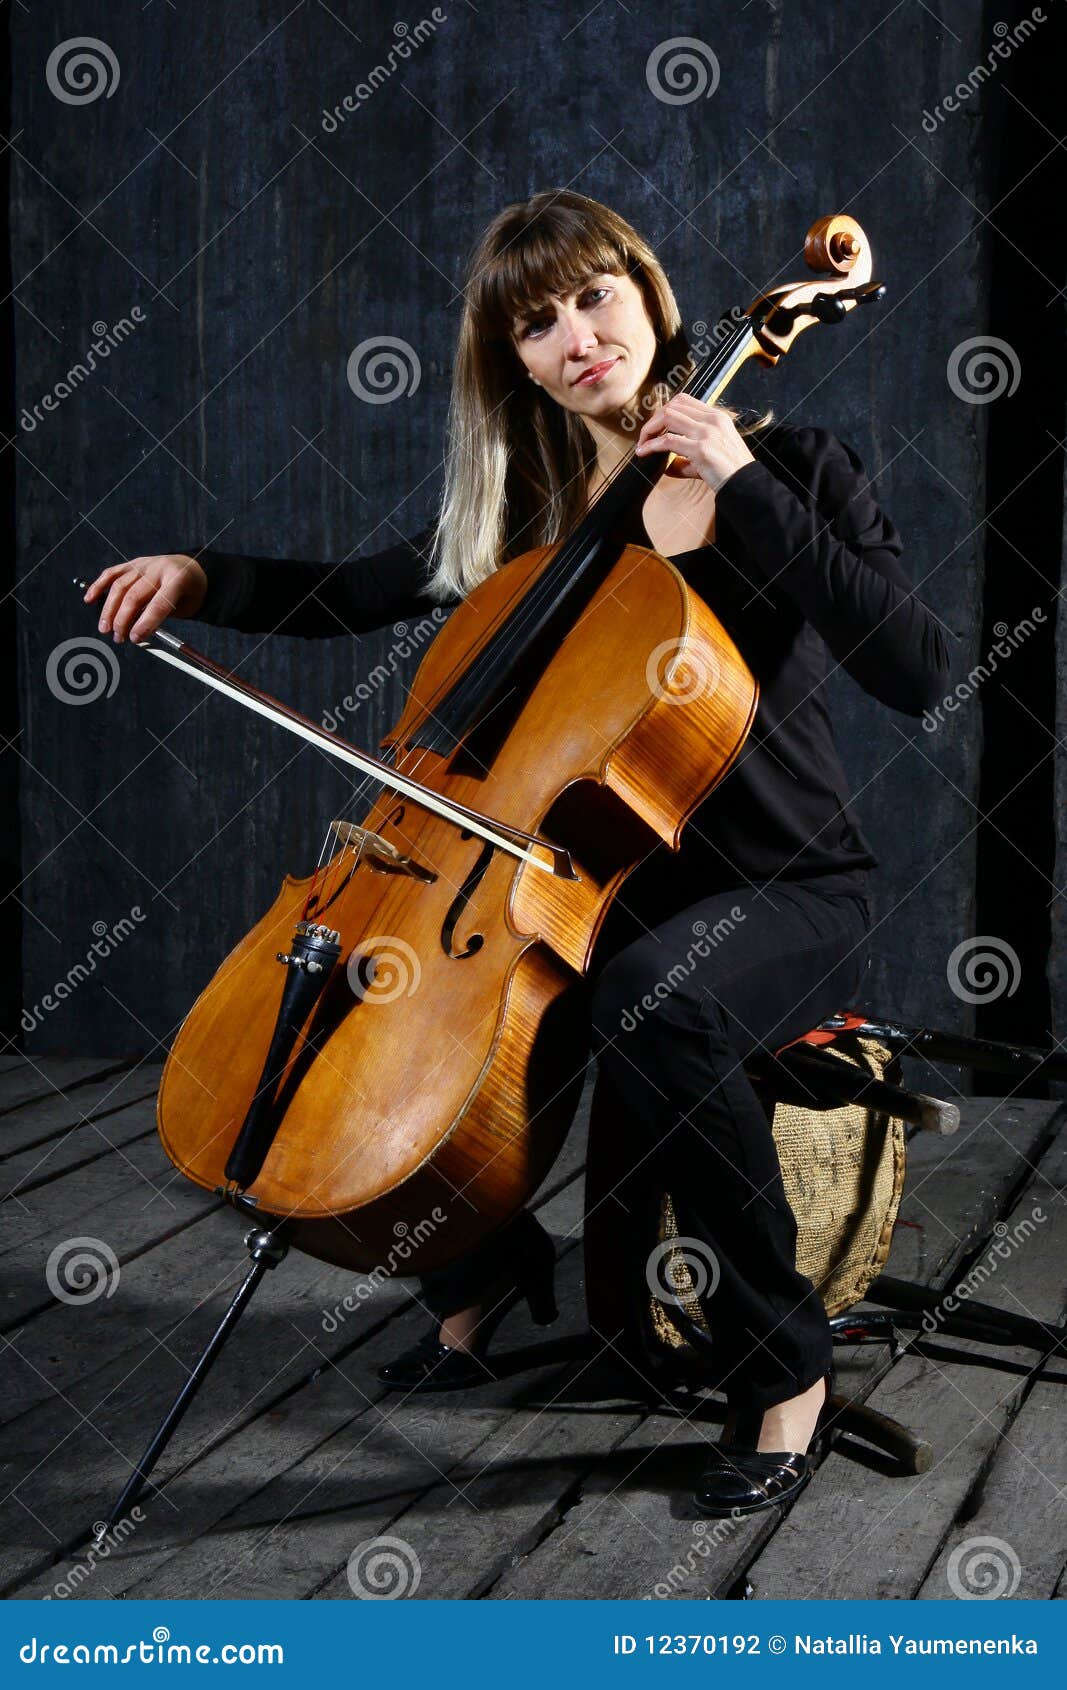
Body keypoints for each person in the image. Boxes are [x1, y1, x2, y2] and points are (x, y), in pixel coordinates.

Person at [83, 189, 950, 1518]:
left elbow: (914, 662)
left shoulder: (796, 468)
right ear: (517, 362)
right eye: (536, 324)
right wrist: (200, 576)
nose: (577, 336)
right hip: (567, 892)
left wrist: (743, 485)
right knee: (399, 1021)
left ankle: (785, 1367)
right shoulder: (530, 525)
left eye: (594, 295)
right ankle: (481, 1267)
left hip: (783, 886)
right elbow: (348, 592)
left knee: (652, 1000)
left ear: (650, 295)